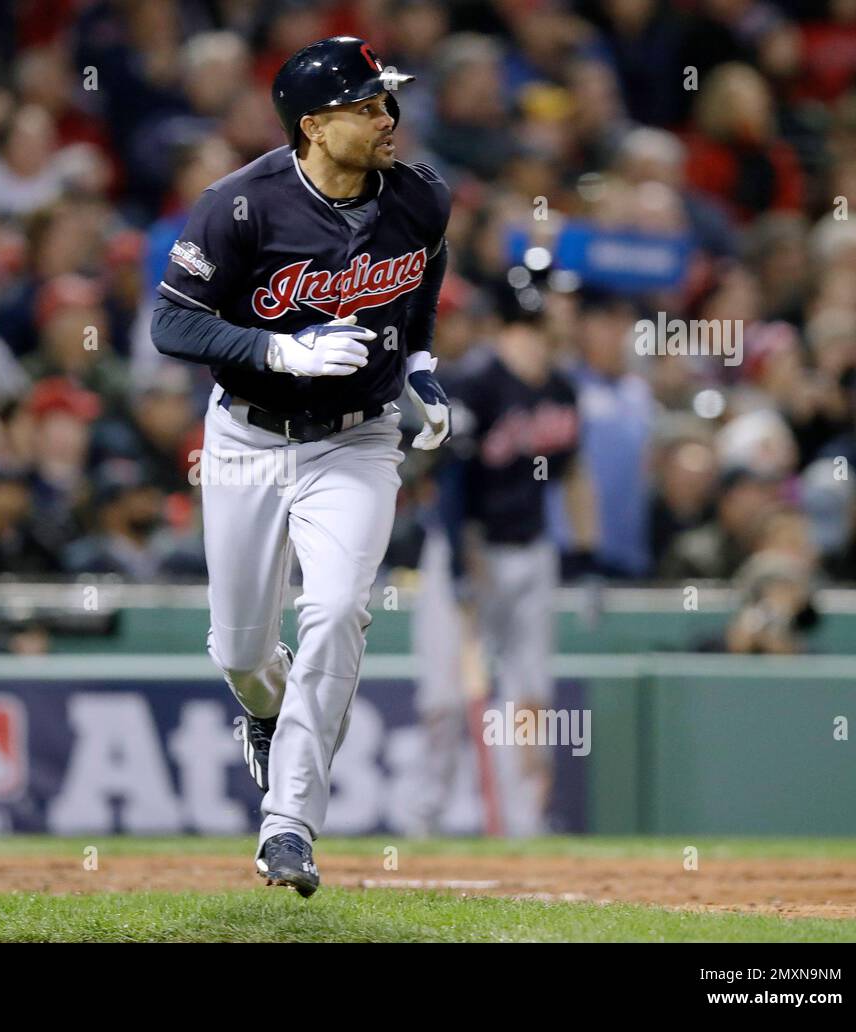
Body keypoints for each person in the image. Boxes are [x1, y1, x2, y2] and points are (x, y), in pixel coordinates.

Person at [150, 37, 451, 896]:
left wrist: (421, 367)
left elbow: (424, 283)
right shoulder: (240, 206)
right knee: (243, 649)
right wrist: (278, 352)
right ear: (314, 125)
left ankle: (289, 824)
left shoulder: (420, 197)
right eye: (366, 105)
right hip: (248, 436)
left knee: (338, 609)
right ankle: (265, 709)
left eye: (386, 101)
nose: (387, 117)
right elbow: (172, 325)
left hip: (358, 440)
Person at [413, 268, 598, 838]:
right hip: (469, 552)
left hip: (531, 552)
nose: (568, 312)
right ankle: (426, 818)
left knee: (532, 695)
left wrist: (586, 561)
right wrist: (461, 564)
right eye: (557, 303)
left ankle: (525, 823)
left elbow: (573, 476)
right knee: (445, 697)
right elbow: (449, 483)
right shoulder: (476, 383)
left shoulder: (562, 389)